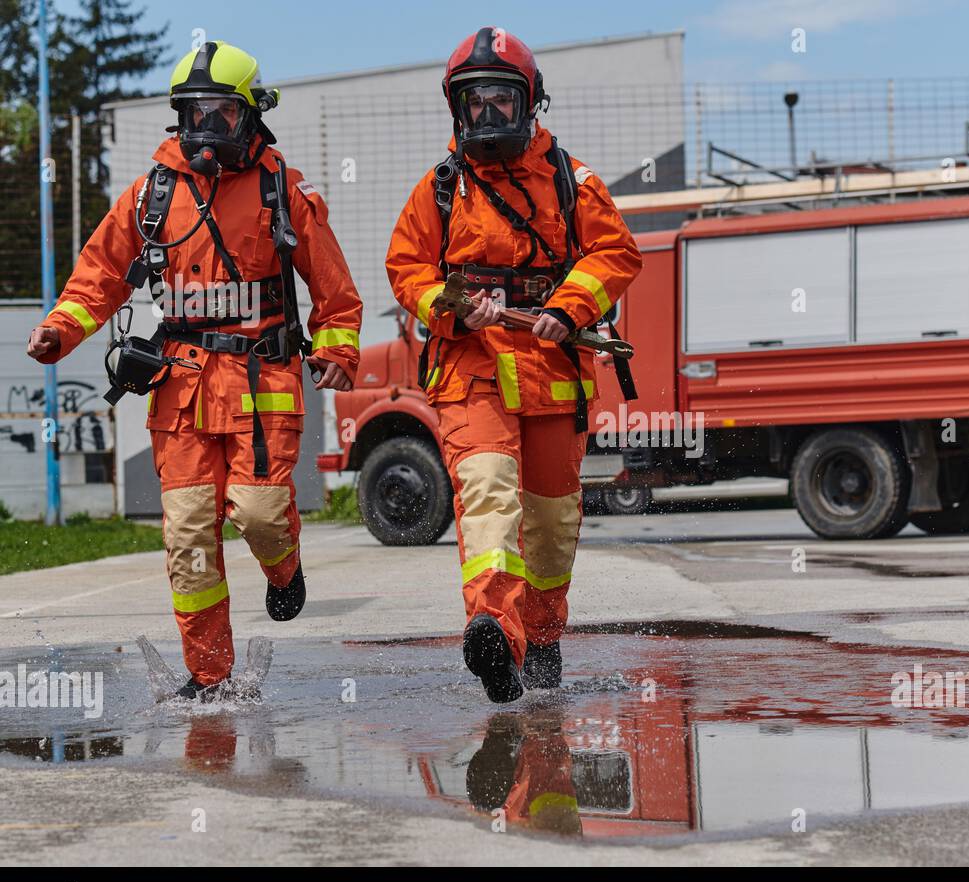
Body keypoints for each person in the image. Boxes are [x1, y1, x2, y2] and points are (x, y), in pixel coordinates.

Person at [27, 41, 362, 699]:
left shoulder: (283, 188)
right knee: (187, 539)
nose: (204, 130)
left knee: (262, 513)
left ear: (252, 115)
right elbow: (97, 276)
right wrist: (60, 328)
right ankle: (208, 678)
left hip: (261, 385)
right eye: (193, 114)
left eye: (220, 115)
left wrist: (339, 351)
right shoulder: (153, 191)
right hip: (179, 389)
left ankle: (284, 571)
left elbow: (335, 292)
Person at [387, 27, 642, 702]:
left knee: (552, 525)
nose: (489, 114)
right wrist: (450, 304)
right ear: (457, 109)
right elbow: (405, 268)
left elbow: (615, 252)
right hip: (470, 368)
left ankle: (543, 637)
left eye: (503, 99)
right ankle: (493, 631)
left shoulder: (569, 179)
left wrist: (571, 307)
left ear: (530, 101)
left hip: (551, 369)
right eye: (476, 102)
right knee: (490, 494)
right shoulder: (440, 189)